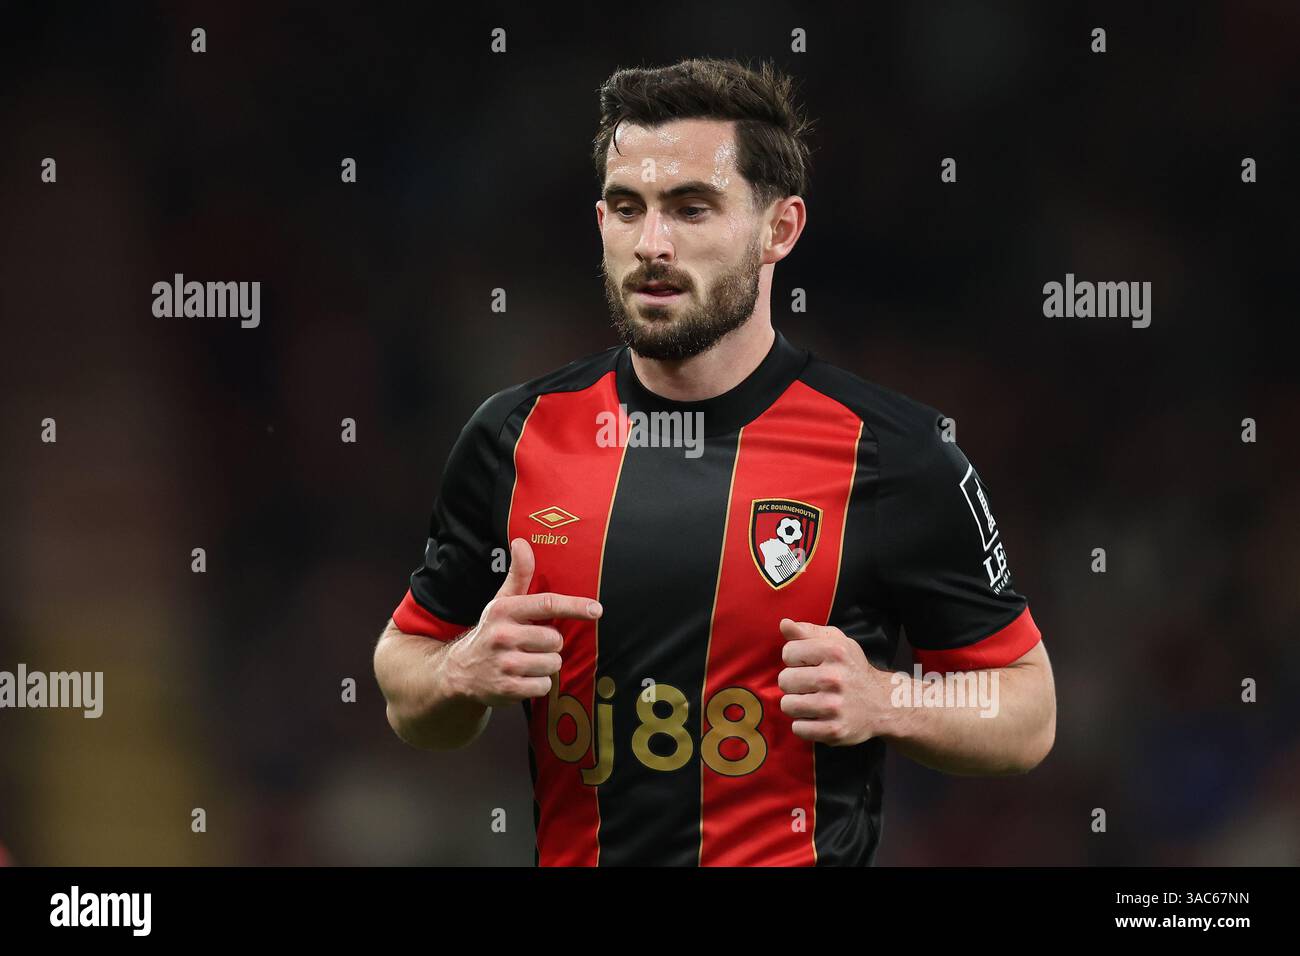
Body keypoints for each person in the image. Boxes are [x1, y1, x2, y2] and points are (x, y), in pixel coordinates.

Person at [374, 57, 1055, 866]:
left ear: (780, 228)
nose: (652, 244)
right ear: (601, 222)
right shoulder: (513, 436)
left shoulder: (896, 457)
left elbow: (1027, 709)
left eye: (692, 209)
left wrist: (892, 699)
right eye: (629, 208)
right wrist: (459, 671)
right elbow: (403, 677)